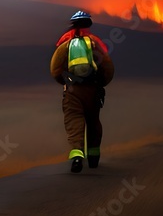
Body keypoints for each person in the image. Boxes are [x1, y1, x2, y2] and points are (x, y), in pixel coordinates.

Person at [49, 10, 114, 172]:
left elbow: (55, 70)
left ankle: (77, 156)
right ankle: (93, 157)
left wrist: (66, 82)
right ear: (88, 24)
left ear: (73, 25)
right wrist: (101, 84)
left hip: (72, 92)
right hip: (93, 90)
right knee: (93, 121)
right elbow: (107, 67)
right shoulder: (95, 43)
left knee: (74, 122)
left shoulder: (65, 44)